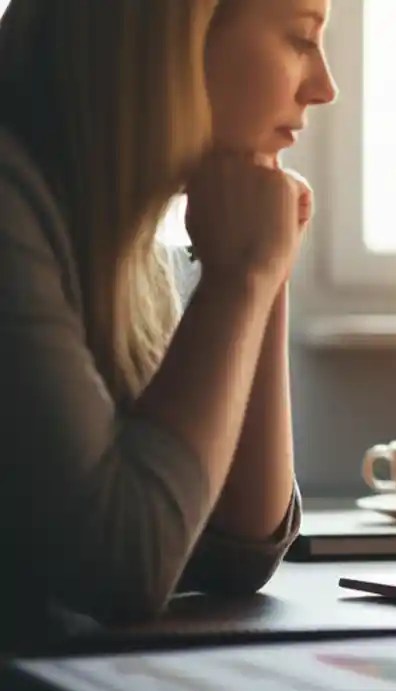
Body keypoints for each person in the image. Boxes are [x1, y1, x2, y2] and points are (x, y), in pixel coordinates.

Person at [0, 0, 337, 650]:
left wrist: (264, 268)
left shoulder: (116, 242)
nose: (324, 86)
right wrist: (241, 279)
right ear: (173, 41)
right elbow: (122, 565)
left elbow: (233, 547)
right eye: (300, 37)